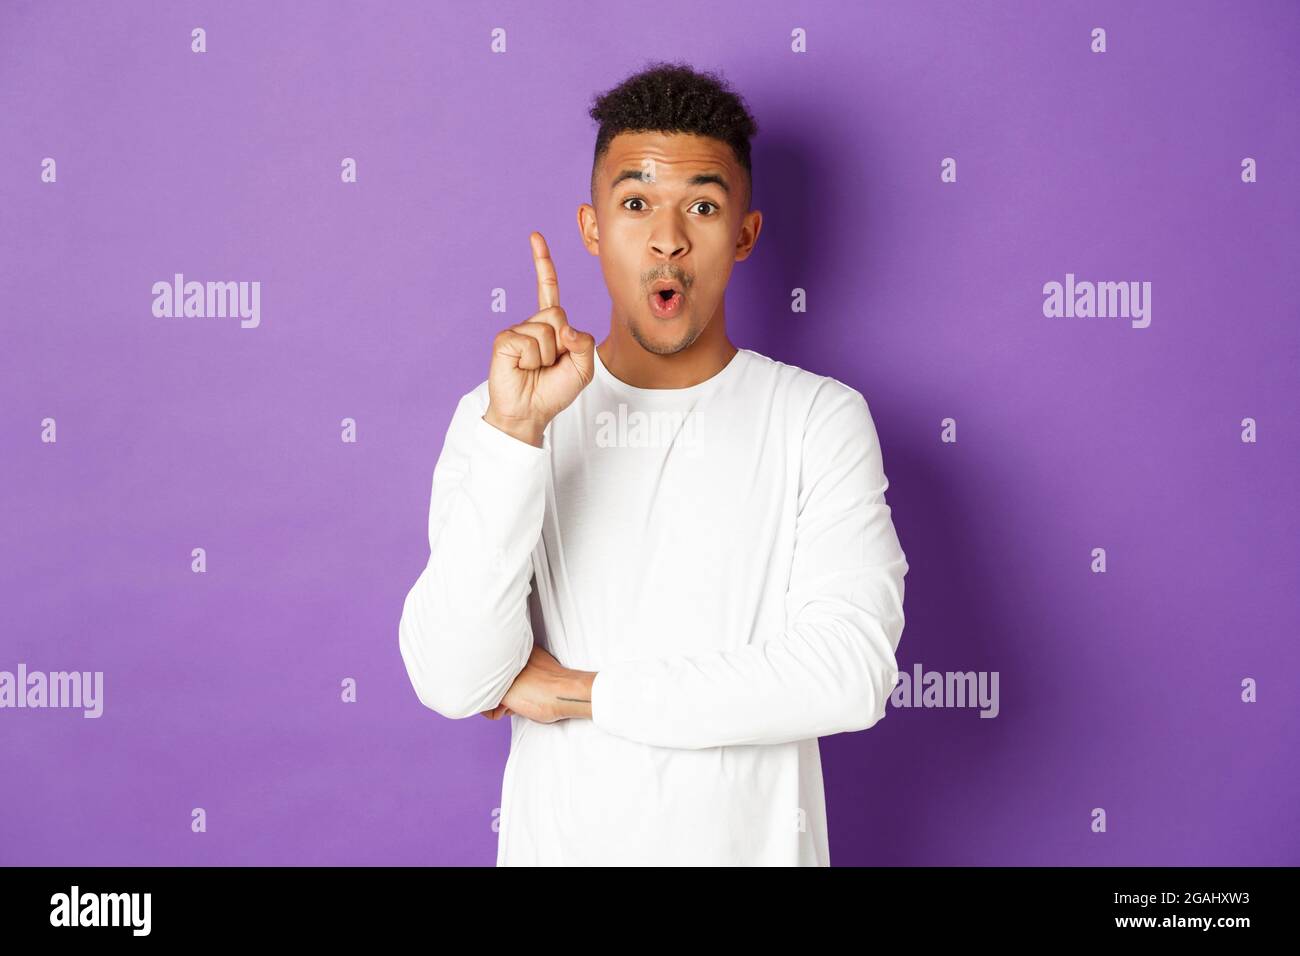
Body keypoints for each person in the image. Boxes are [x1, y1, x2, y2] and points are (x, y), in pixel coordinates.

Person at [398, 60, 909, 866]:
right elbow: (453, 678)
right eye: (635, 204)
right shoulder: (501, 417)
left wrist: (580, 694)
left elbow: (847, 673)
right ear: (593, 227)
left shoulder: (818, 420)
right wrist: (515, 436)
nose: (668, 237)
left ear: (743, 234)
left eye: (702, 206)